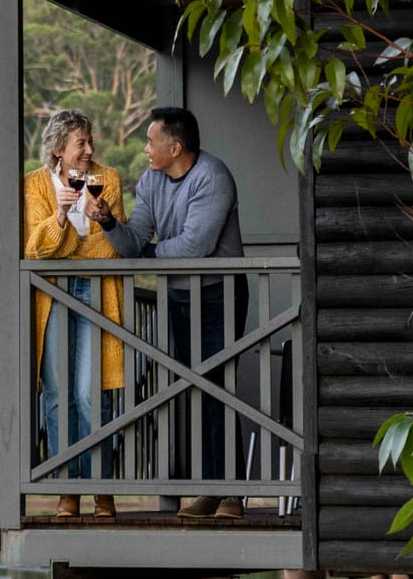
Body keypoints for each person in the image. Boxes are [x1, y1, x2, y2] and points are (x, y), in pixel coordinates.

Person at [86, 106, 247, 518]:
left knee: (220, 388)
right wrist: (108, 223)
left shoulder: (213, 177)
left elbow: (195, 247)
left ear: (174, 147)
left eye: (151, 142)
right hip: (178, 296)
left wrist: (149, 255)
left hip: (220, 295)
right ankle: (211, 490)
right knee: (195, 389)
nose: (146, 149)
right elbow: (135, 238)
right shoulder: (152, 180)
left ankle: (232, 496)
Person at [23, 108, 128, 520]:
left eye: (90, 141)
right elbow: (34, 249)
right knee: (57, 394)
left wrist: (95, 222)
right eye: (80, 143)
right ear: (59, 151)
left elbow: (108, 248)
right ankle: (68, 490)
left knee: (90, 392)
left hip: (97, 293)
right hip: (52, 296)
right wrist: (62, 215)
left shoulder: (108, 179)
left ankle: (101, 489)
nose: (89, 149)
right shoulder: (34, 185)